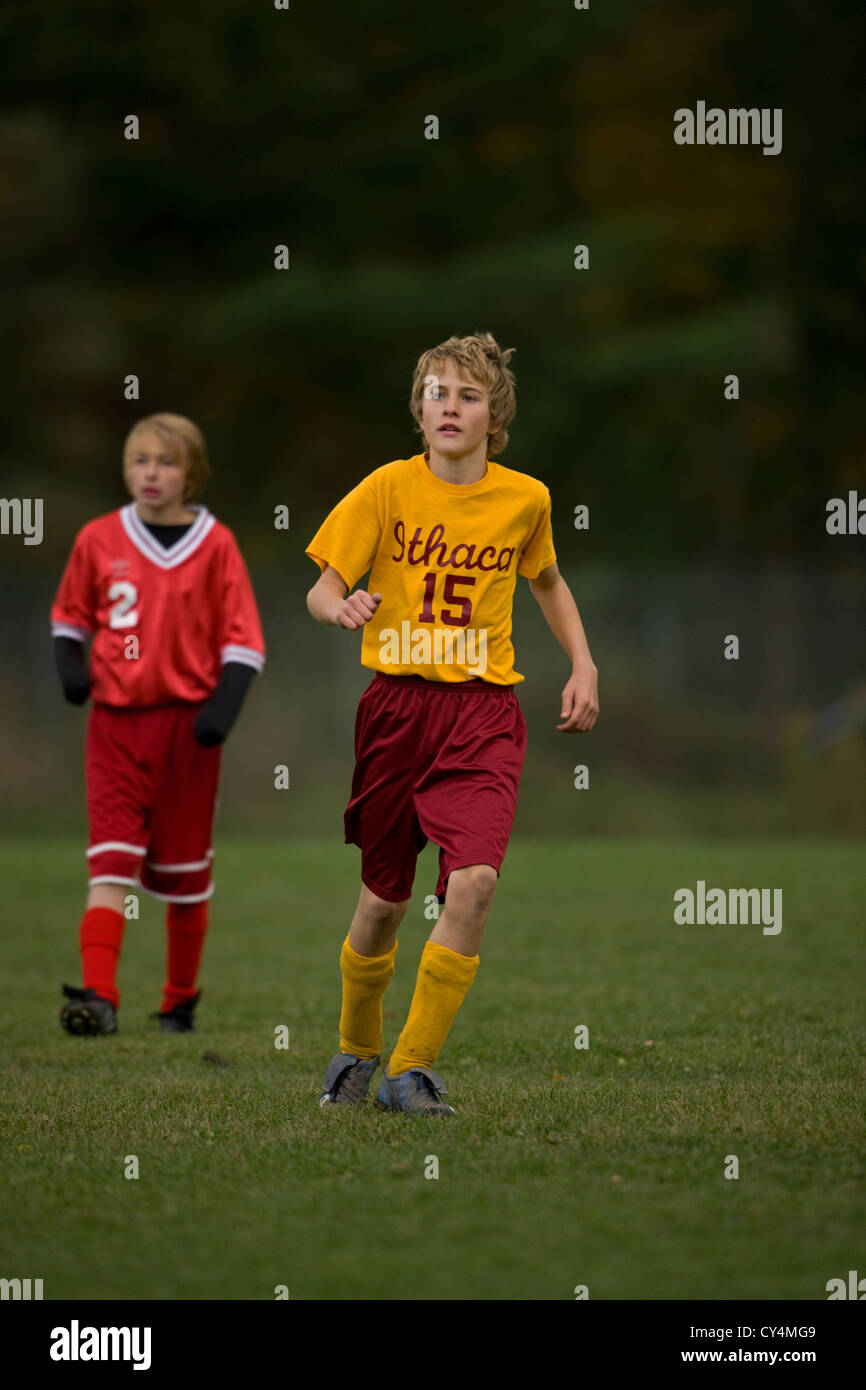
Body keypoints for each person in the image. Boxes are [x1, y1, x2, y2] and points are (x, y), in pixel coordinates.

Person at [305, 332, 598, 1115]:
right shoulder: (386, 490)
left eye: (467, 395)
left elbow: (549, 582)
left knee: (473, 884)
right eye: (437, 392)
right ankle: (357, 1048)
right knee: (382, 903)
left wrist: (584, 664)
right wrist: (342, 607)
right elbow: (322, 588)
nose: (449, 406)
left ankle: (412, 1070)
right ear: (419, 408)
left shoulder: (525, 499)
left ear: (493, 414)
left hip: (483, 713)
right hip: (396, 711)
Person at [50, 412, 265, 1036]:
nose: (150, 472)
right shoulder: (98, 538)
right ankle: (99, 995)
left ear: (191, 474)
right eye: (140, 459)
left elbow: (243, 643)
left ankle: (178, 1000)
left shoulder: (216, 545)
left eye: (166, 462)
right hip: (115, 728)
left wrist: (220, 713)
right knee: (110, 863)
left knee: (183, 874)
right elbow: (69, 618)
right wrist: (71, 670)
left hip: (187, 731)